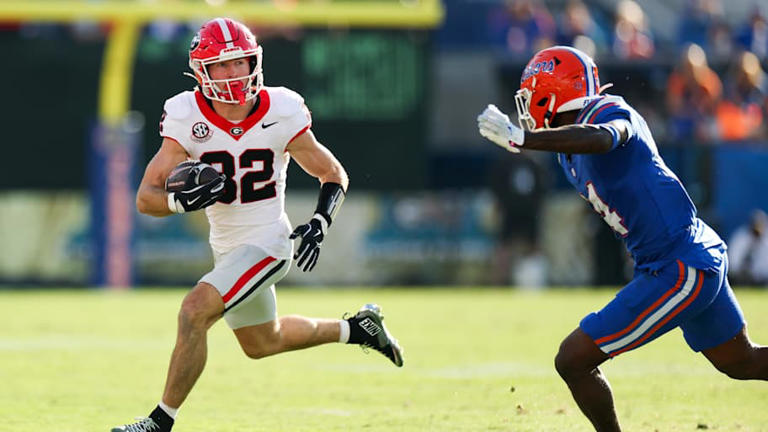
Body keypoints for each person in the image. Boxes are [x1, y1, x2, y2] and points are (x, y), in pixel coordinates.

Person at [112, 17, 403, 432]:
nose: (235, 72)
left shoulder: (281, 108)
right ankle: (358, 329)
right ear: (202, 72)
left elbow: (333, 173)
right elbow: (146, 198)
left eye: (241, 61)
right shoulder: (185, 117)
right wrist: (179, 201)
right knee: (263, 342)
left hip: (268, 242)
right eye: (223, 65)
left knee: (194, 311)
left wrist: (320, 220)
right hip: (228, 248)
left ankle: (160, 422)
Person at [477, 45, 768, 432]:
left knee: (573, 359)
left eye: (532, 97)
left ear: (554, 93)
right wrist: (532, 140)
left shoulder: (605, 111)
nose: (527, 109)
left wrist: (524, 139)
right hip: (677, 257)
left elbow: (604, 137)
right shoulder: (566, 150)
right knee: (741, 361)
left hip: (678, 264)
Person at [728, 209, 768, 286]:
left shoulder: (766, 242)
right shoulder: (740, 237)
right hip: (739, 277)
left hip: (760, 279)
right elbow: (733, 261)